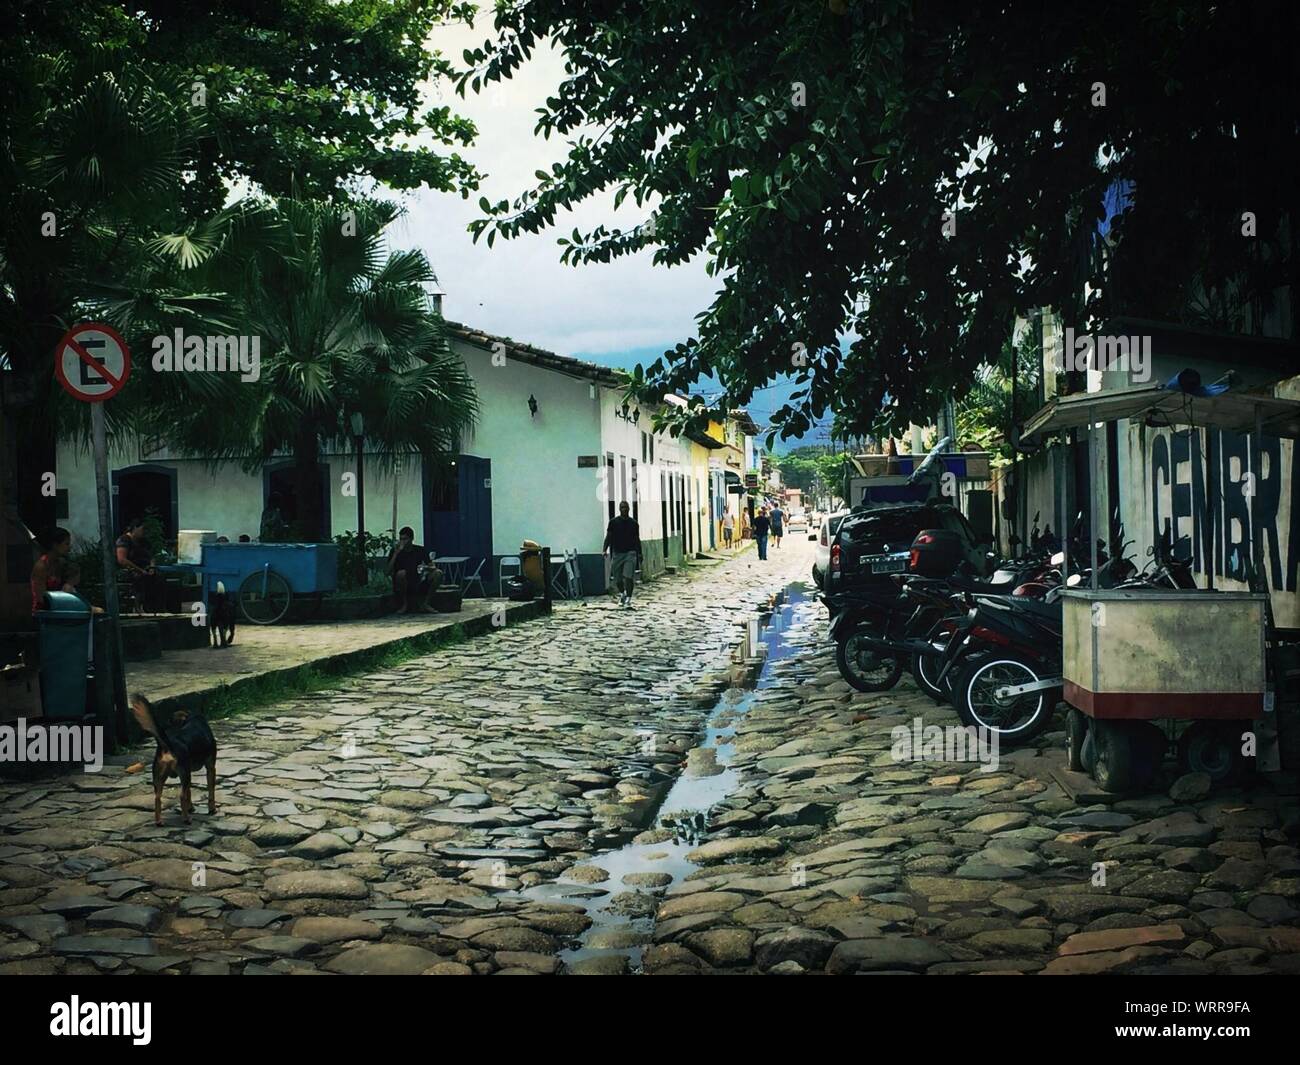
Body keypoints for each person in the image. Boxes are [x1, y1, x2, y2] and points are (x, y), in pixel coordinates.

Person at [116, 517, 167, 612]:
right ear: (135, 528)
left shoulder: (143, 541)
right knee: (140, 579)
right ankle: (139, 607)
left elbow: (152, 556)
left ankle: (156, 608)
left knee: (159, 579)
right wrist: (140, 570)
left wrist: (152, 567)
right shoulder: (124, 540)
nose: (144, 532)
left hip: (146, 569)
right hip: (131, 570)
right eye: (142, 529)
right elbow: (122, 559)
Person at [386, 526, 441, 613]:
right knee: (401, 573)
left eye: (405, 539)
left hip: (418, 578)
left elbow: (433, 566)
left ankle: (426, 603)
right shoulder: (395, 551)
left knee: (437, 573)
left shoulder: (420, 550)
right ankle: (404, 604)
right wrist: (396, 554)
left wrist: (425, 568)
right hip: (403, 582)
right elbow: (387, 572)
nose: (403, 542)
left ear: (411, 539)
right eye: (401, 539)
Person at [603, 500, 643, 608]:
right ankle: (623, 594)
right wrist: (604, 549)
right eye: (622, 507)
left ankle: (628, 599)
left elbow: (637, 539)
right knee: (617, 578)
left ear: (629, 509)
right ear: (619, 509)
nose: (624, 509)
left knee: (628, 577)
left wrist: (640, 553)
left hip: (630, 553)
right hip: (617, 553)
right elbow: (609, 536)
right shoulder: (613, 522)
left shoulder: (634, 523)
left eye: (626, 507)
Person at [30, 527, 71, 615]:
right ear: (55, 545)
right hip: (43, 613)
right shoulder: (41, 566)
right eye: (66, 544)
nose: (69, 548)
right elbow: (41, 598)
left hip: (57, 607)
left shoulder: (59, 563)